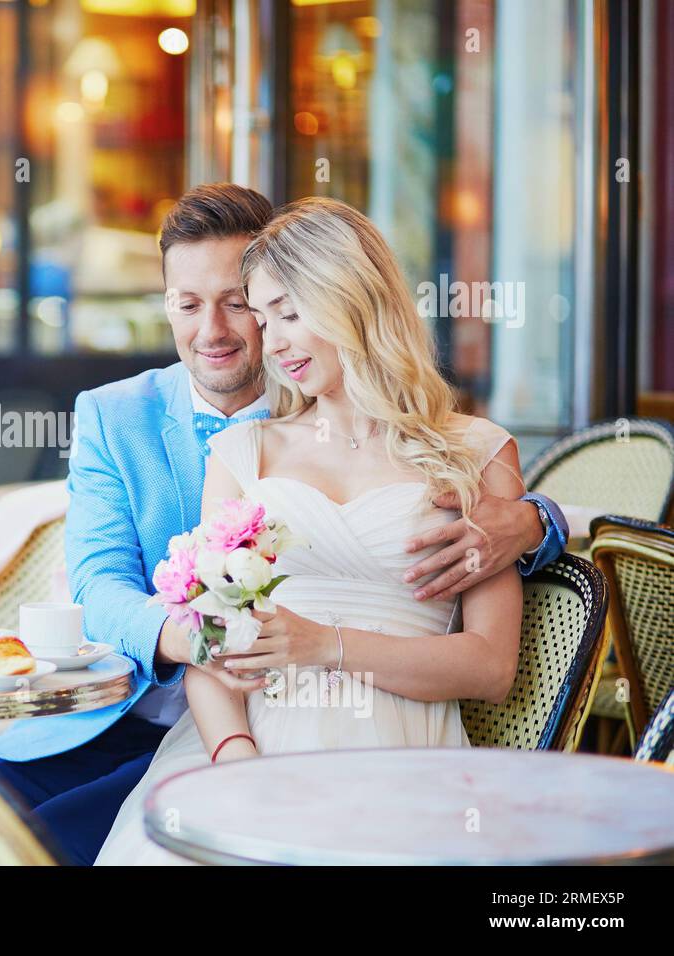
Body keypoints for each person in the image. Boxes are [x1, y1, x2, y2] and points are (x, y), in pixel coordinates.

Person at [0, 183, 567, 866]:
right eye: (188, 304)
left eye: (241, 305)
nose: (216, 330)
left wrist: (534, 523)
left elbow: (489, 640)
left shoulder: (455, 450)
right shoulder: (130, 417)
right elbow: (99, 584)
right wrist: (190, 639)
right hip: (139, 717)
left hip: (348, 730)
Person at [97, 196, 531, 864]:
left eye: (290, 315)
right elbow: (209, 646)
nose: (273, 345)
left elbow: (491, 667)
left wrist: (324, 644)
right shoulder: (244, 453)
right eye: (264, 319)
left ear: (353, 302)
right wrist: (235, 758)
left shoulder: (476, 452)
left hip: (399, 750)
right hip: (244, 746)